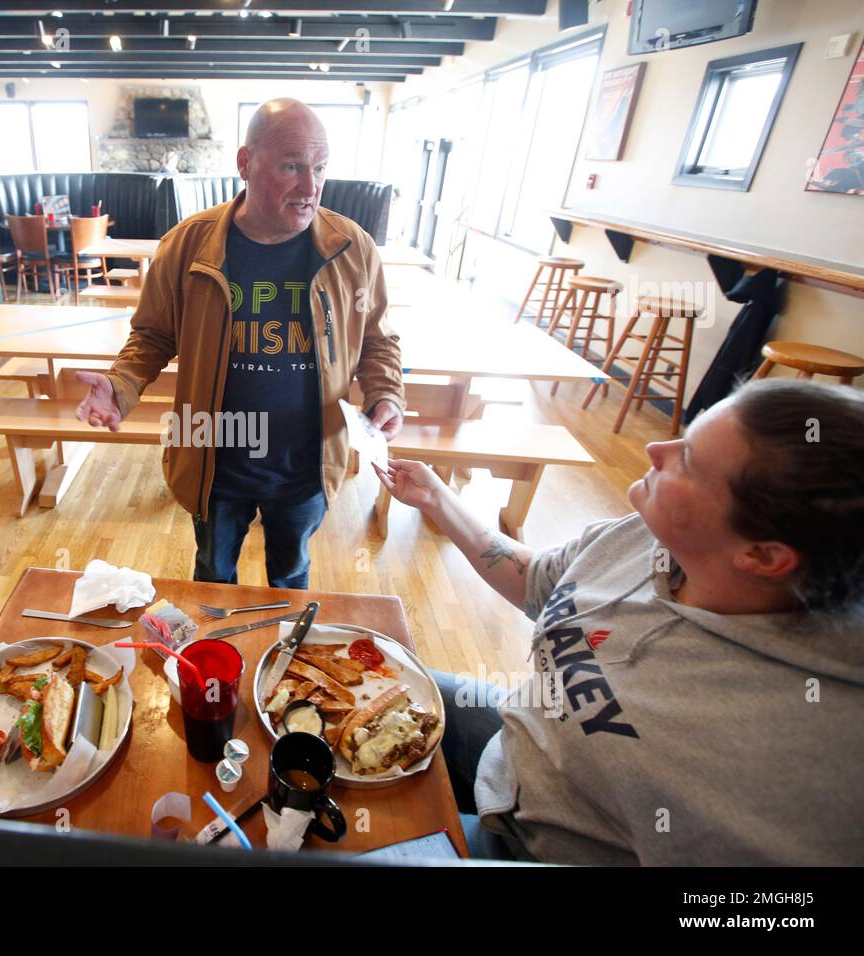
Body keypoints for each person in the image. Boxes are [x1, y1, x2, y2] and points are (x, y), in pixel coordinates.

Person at [375, 378, 864, 865]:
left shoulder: (810, 764)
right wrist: (437, 499)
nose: (655, 447)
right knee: (366, 671)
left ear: (763, 554)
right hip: (518, 741)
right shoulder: (654, 531)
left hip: (536, 848)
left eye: (688, 459)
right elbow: (536, 581)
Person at [76, 99, 405, 589]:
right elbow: (152, 335)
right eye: (292, 166)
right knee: (211, 578)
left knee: (291, 575)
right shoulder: (188, 245)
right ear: (246, 164)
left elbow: (377, 339)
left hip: (305, 464)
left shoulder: (352, 248)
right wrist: (120, 385)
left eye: (319, 168)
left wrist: (385, 393)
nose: (310, 186)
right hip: (214, 458)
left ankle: (280, 664)